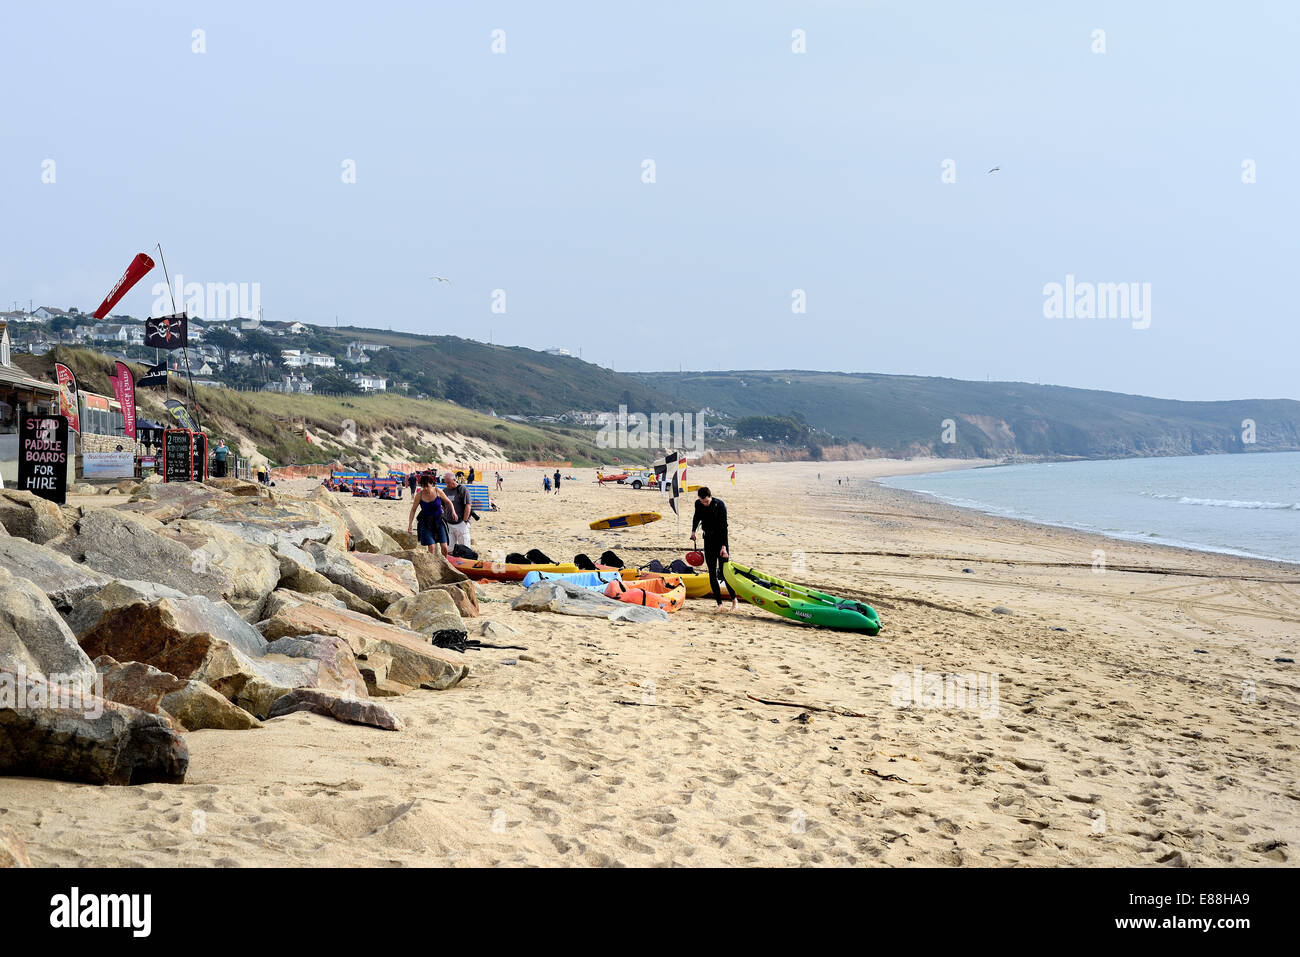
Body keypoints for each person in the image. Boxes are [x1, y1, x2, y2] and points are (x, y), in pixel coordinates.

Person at [690, 486, 738, 611]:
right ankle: (719, 604)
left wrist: (724, 547)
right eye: (702, 501)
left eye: (706, 501)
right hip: (708, 541)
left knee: (725, 572)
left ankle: (734, 600)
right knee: (712, 572)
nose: (704, 504)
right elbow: (696, 517)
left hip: (721, 542)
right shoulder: (698, 504)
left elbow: (724, 527)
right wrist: (693, 531)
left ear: (710, 496)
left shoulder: (719, 505)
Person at [407, 473, 458, 556]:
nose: (425, 488)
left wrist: (453, 512)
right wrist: (410, 524)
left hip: (439, 521)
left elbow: (449, 502)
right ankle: (432, 564)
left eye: (427, 486)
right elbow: (413, 510)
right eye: (423, 486)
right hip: (425, 522)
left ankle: (445, 563)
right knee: (431, 547)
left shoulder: (438, 491)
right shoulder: (419, 495)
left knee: (444, 547)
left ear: (432, 484)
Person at [442, 471, 475, 551]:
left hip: (461, 523)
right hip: (449, 523)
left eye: (449, 483)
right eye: (446, 483)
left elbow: (468, 505)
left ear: (454, 480)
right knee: (450, 548)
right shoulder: (445, 491)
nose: (448, 485)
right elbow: (443, 505)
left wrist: (465, 520)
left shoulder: (462, 489)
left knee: (464, 547)